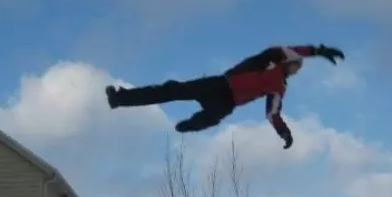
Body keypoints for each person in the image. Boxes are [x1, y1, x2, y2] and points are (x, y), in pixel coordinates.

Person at [105, 44, 344, 149]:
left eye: (300, 68)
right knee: (171, 89)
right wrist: (318, 51)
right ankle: (120, 99)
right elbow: (290, 49)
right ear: (288, 61)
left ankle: (192, 125)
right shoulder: (271, 58)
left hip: (227, 101)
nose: (298, 69)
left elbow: (273, 113)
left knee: (211, 117)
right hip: (220, 83)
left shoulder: (279, 88)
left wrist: (284, 132)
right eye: (297, 64)